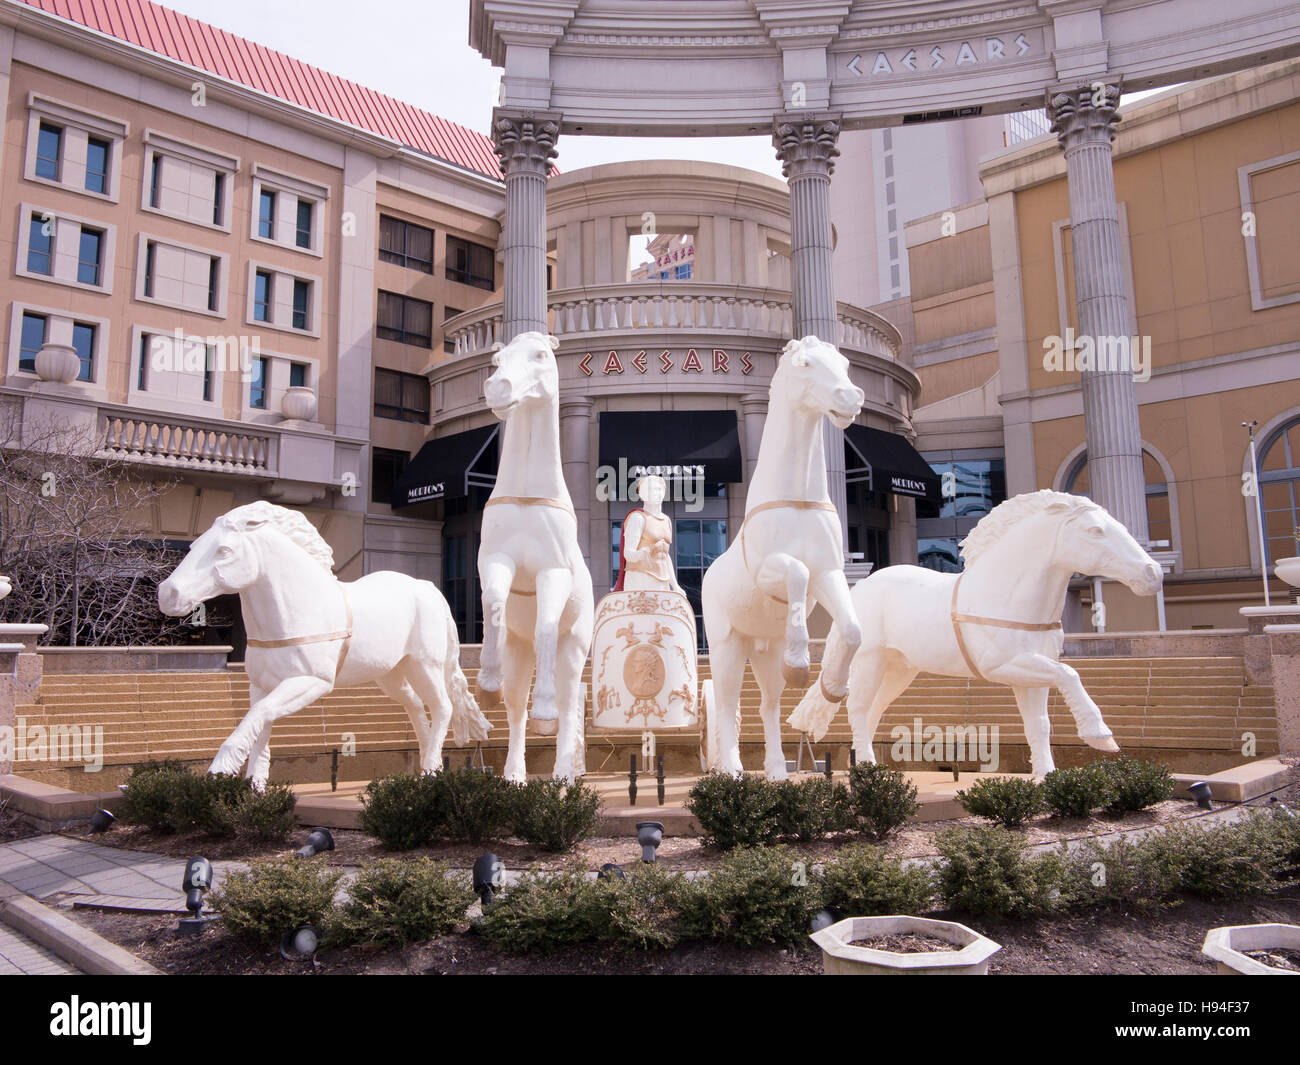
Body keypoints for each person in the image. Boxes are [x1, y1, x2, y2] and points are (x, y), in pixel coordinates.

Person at [612, 474, 684, 594]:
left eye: (658, 489)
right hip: (640, 578)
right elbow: (628, 553)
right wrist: (641, 553)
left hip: (662, 582)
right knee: (640, 613)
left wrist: (675, 585)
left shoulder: (667, 520)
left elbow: (665, 556)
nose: (655, 493)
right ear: (642, 494)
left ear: (663, 492)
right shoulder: (637, 518)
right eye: (649, 489)